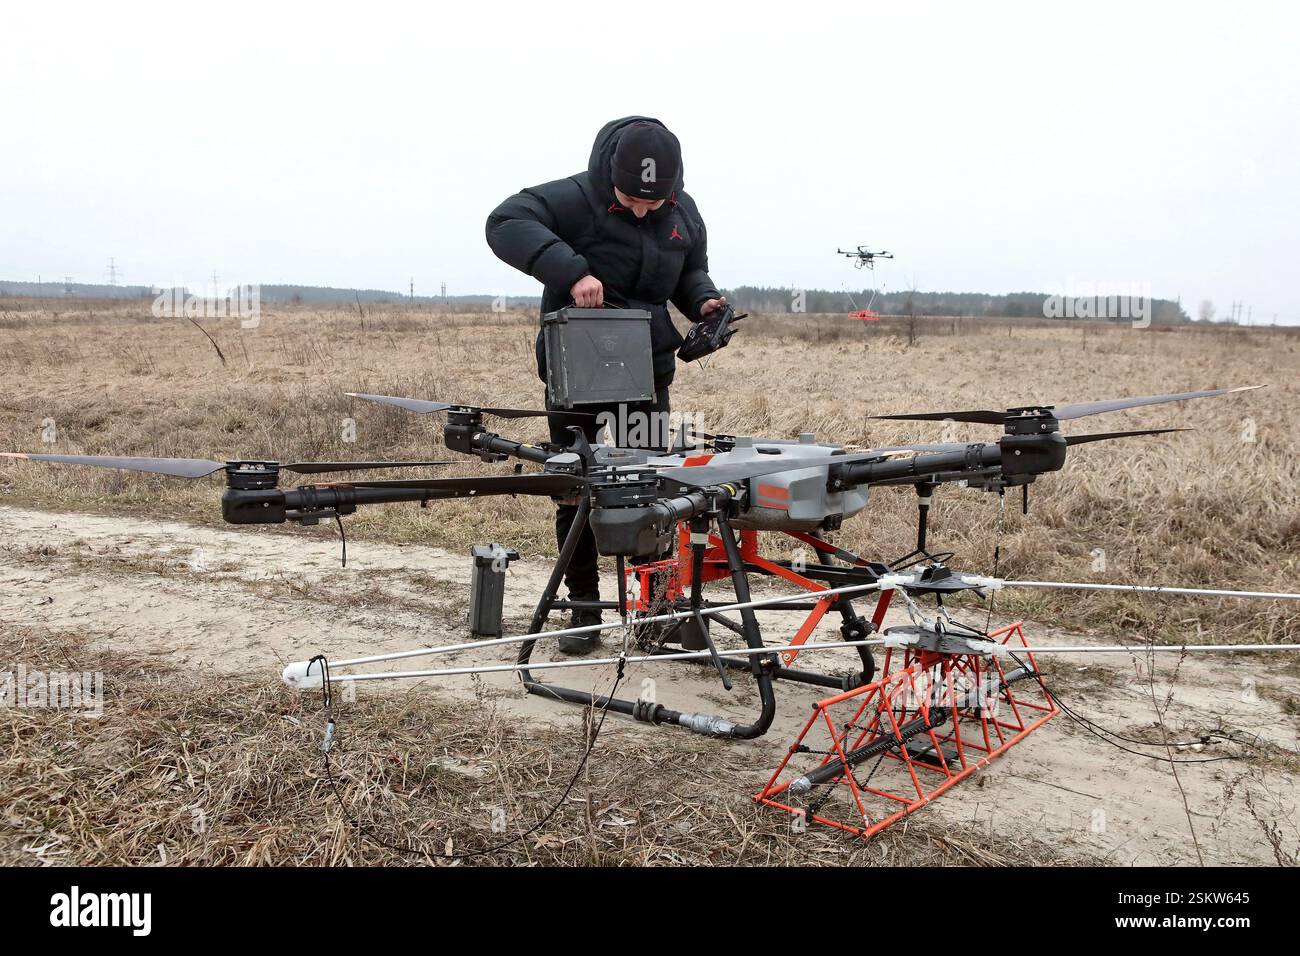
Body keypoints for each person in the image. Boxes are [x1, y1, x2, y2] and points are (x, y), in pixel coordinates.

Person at [486, 116, 726, 653]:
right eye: (631, 201)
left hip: (648, 373)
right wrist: (571, 272)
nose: (643, 210)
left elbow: (688, 270)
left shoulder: (681, 210)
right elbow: (504, 221)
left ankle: (655, 611)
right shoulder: (571, 197)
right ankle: (584, 611)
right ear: (610, 176)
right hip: (580, 374)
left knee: (652, 488)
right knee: (578, 489)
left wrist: (703, 300)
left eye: (654, 204)